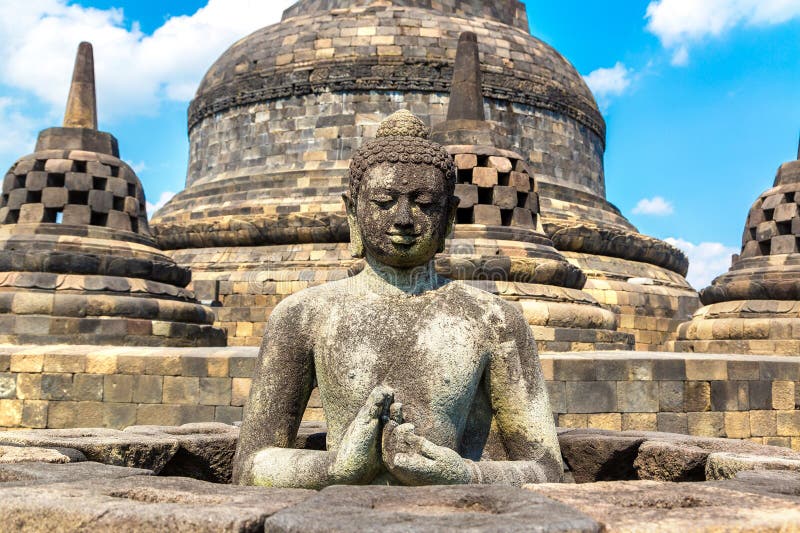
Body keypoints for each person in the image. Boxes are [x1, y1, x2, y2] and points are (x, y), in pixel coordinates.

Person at [232, 110, 562, 488]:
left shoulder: (494, 319)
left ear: (449, 217)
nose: (405, 218)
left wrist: (464, 474)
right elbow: (249, 466)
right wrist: (336, 469)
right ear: (353, 211)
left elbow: (546, 469)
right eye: (385, 202)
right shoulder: (303, 316)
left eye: (424, 203)